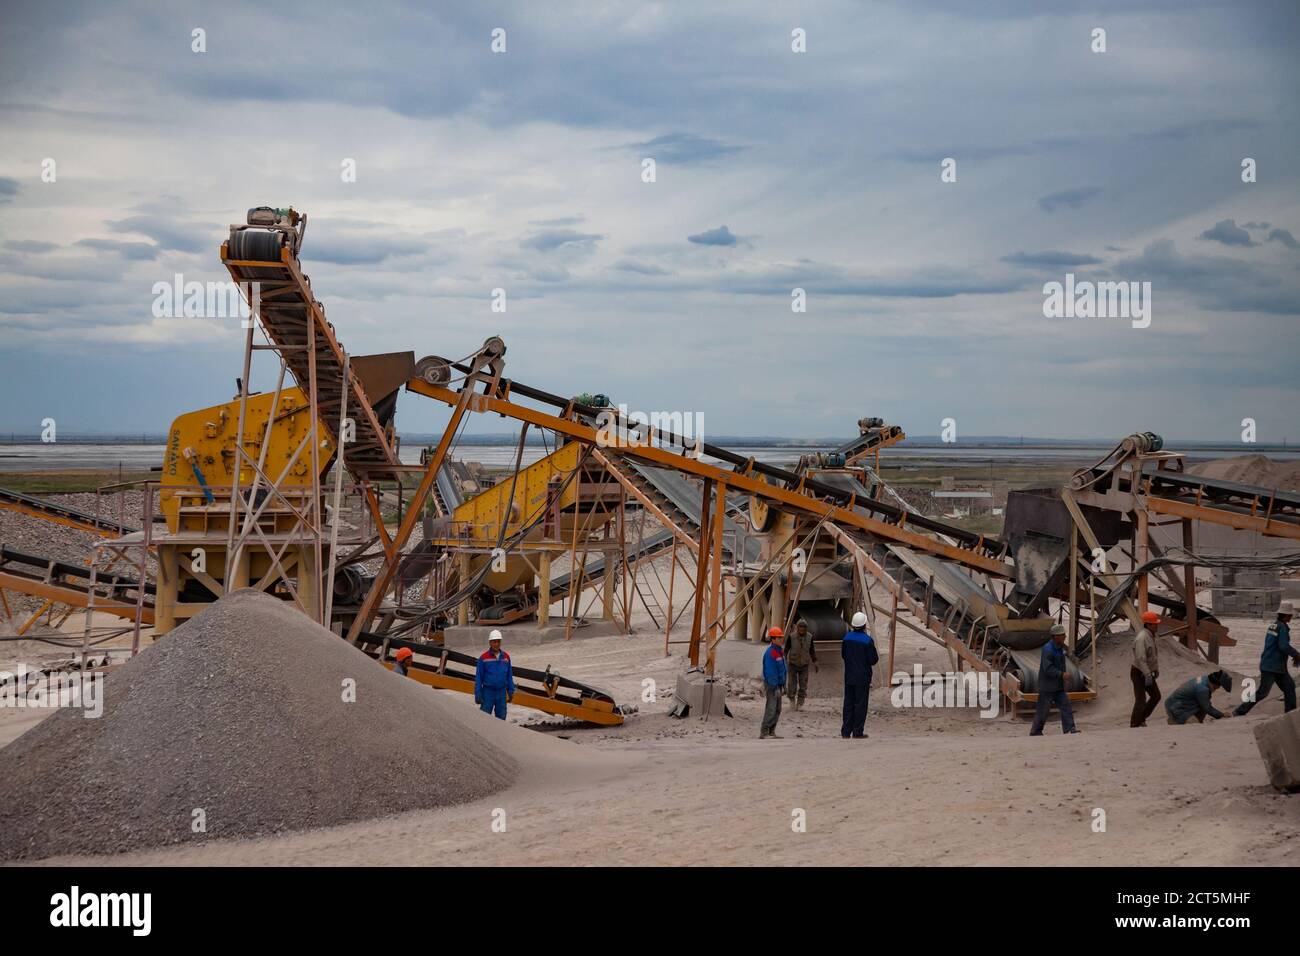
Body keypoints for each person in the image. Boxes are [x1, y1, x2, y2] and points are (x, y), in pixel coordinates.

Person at [1234, 602, 1298, 716]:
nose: (1291, 617)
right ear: (1287, 615)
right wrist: (1296, 654)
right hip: (1272, 666)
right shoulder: (1282, 627)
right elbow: (1283, 646)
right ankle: (1240, 711)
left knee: (1289, 687)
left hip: (1272, 665)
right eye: (1290, 615)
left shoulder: (1273, 626)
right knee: (1262, 692)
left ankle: (1290, 714)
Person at [1029, 624, 1079, 735]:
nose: (1065, 637)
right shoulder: (1048, 650)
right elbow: (1048, 669)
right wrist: (1062, 675)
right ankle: (1036, 731)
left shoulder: (1059, 647)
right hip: (1047, 687)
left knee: (1066, 705)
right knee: (1043, 710)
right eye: (1062, 635)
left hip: (1058, 686)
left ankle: (1070, 729)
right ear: (1056, 637)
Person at [840, 611, 878, 739]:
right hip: (862, 678)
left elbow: (843, 655)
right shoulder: (867, 641)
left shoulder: (846, 638)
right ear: (864, 625)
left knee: (848, 703)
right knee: (860, 705)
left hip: (849, 676)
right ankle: (857, 732)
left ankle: (845, 731)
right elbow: (873, 660)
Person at [475, 629, 516, 720]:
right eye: (494, 642)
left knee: (501, 717)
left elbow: (509, 675)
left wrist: (511, 690)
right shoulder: (483, 658)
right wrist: (478, 693)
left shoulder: (506, 657)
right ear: (490, 643)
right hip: (487, 692)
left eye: (498, 642)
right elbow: (479, 677)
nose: (496, 644)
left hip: (501, 692)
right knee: (485, 717)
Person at [1166, 670, 1233, 724]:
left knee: (1202, 708)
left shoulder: (1204, 679)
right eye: (1218, 686)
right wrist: (1222, 715)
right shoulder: (1202, 689)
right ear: (1215, 685)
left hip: (1177, 703)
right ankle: (1175, 721)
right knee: (1194, 723)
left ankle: (1177, 719)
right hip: (1176, 706)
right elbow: (1207, 708)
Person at [1130, 610, 1161, 727]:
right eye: (1155, 624)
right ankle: (1135, 723)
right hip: (1138, 672)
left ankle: (1141, 718)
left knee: (1156, 696)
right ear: (1148, 624)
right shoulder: (1142, 638)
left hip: (1147, 672)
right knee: (1140, 699)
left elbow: (1152, 656)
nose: (1157, 626)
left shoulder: (1150, 636)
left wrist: (1155, 669)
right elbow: (1140, 659)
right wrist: (1148, 674)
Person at [784, 619, 819, 711]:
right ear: (797, 627)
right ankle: (792, 700)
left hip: (804, 665)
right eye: (800, 627)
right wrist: (783, 660)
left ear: (806, 628)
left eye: (804, 627)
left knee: (803, 685)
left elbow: (812, 650)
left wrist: (815, 662)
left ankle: (800, 703)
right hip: (793, 664)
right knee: (792, 684)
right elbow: (786, 650)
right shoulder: (791, 637)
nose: (802, 629)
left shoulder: (810, 637)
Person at [760, 626, 787, 739]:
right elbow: (771, 672)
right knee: (771, 708)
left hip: (778, 685)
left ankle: (771, 731)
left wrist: (783, 685)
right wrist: (775, 687)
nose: (781, 639)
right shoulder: (771, 653)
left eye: (781, 637)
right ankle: (764, 732)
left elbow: (782, 670)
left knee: (777, 709)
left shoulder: (779, 651)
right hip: (772, 685)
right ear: (773, 639)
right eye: (779, 638)